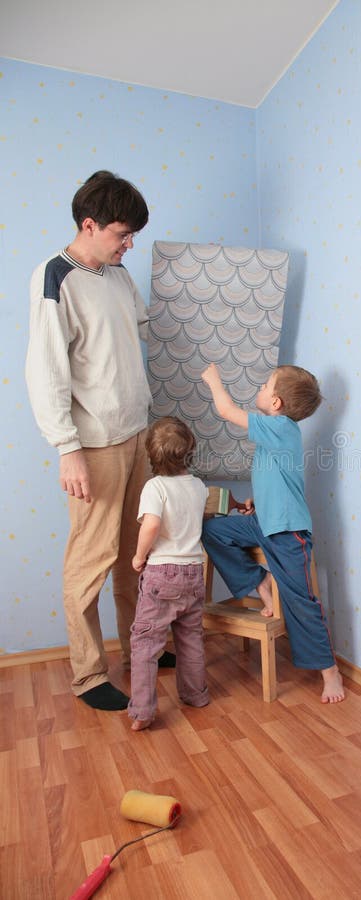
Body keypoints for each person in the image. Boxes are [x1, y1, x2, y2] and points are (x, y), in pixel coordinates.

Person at [25, 170, 173, 711]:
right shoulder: (55, 278)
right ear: (89, 225)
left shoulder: (117, 275)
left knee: (137, 552)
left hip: (136, 435)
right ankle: (89, 675)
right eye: (121, 233)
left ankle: (142, 647)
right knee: (91, 558)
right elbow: (46, 372)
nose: (129, 243)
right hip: (94, 445)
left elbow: (133, 332)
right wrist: (68, 448)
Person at [201, 363, 345, 703]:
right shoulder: (275, 431)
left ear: (277, 402)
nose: (261, 389)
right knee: (212, 530)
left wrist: (213, 381)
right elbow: (276, 477)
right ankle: (260, 581)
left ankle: (330, 671)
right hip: (263, 520)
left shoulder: (280, 427)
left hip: (287, 531)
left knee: (301, 600)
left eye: (266, 386)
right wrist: (256, 501)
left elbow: (225, 410)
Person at [128, 417, 209, 731]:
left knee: (145, 642)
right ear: (190, 450)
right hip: (193, 572)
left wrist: (138, 556)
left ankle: (143, 711)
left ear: (152, 455)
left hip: (163, 574)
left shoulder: (155, 487)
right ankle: (196, 694)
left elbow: (151, 525)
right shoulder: (198, 486)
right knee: (190, 638)